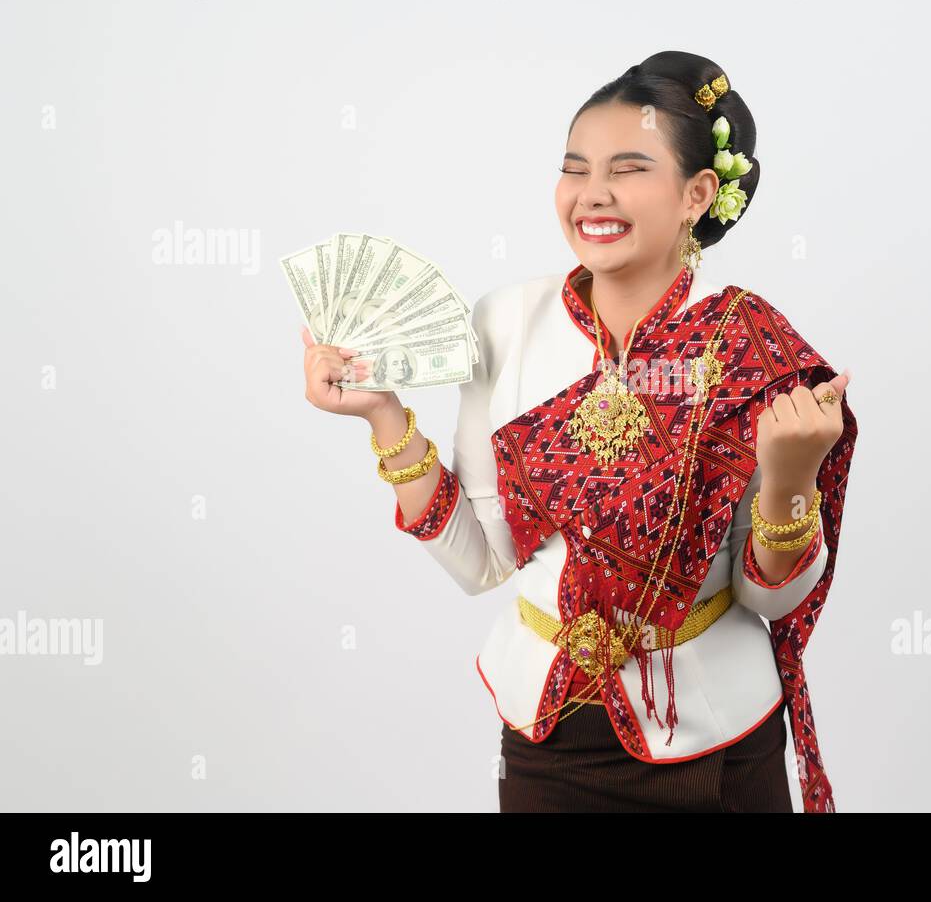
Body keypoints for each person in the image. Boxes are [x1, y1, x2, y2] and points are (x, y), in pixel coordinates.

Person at [300, 51, 860, 812]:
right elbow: (484, 563)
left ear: (698, 193)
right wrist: (384, 415)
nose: (593, 194)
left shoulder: (747, 345)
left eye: (629, 169)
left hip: (716, 740)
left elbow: (773, 600)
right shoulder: (504, 324)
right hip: (546, 742)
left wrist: (791, 479)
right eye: (575, 168)